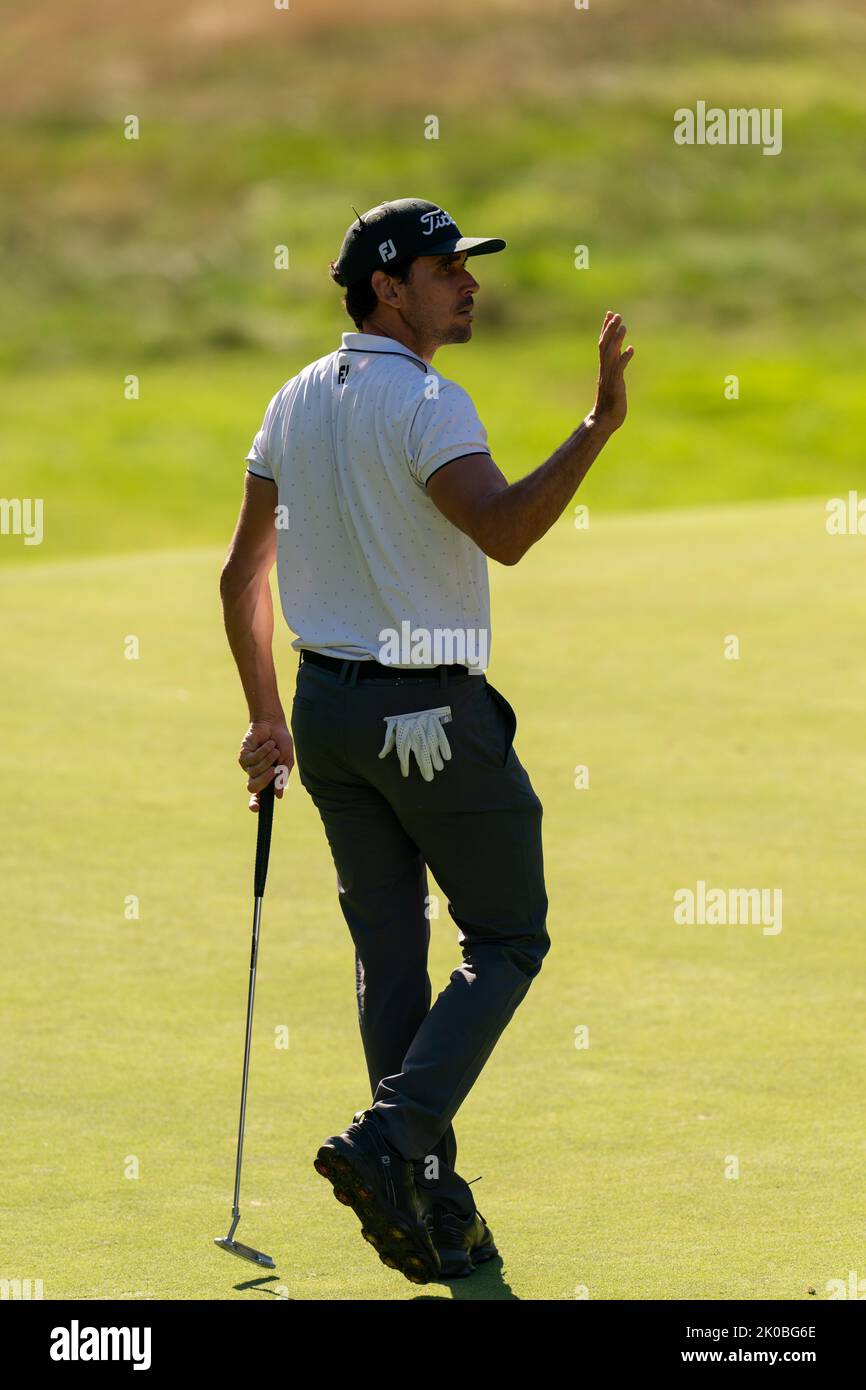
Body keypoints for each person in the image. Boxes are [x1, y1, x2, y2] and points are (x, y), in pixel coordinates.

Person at [220, 197, 633, 1285]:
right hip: (428, 718)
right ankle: (390, 1140)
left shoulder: (291, 399)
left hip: (328, 712)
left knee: (388, 952)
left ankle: (424, 1194)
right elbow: (504, 533)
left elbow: (241, 577)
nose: (469, 284)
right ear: (387, 288)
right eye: (447, 268)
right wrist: (594, 429)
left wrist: (266, 713)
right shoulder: (428, 404)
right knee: (506, 939)